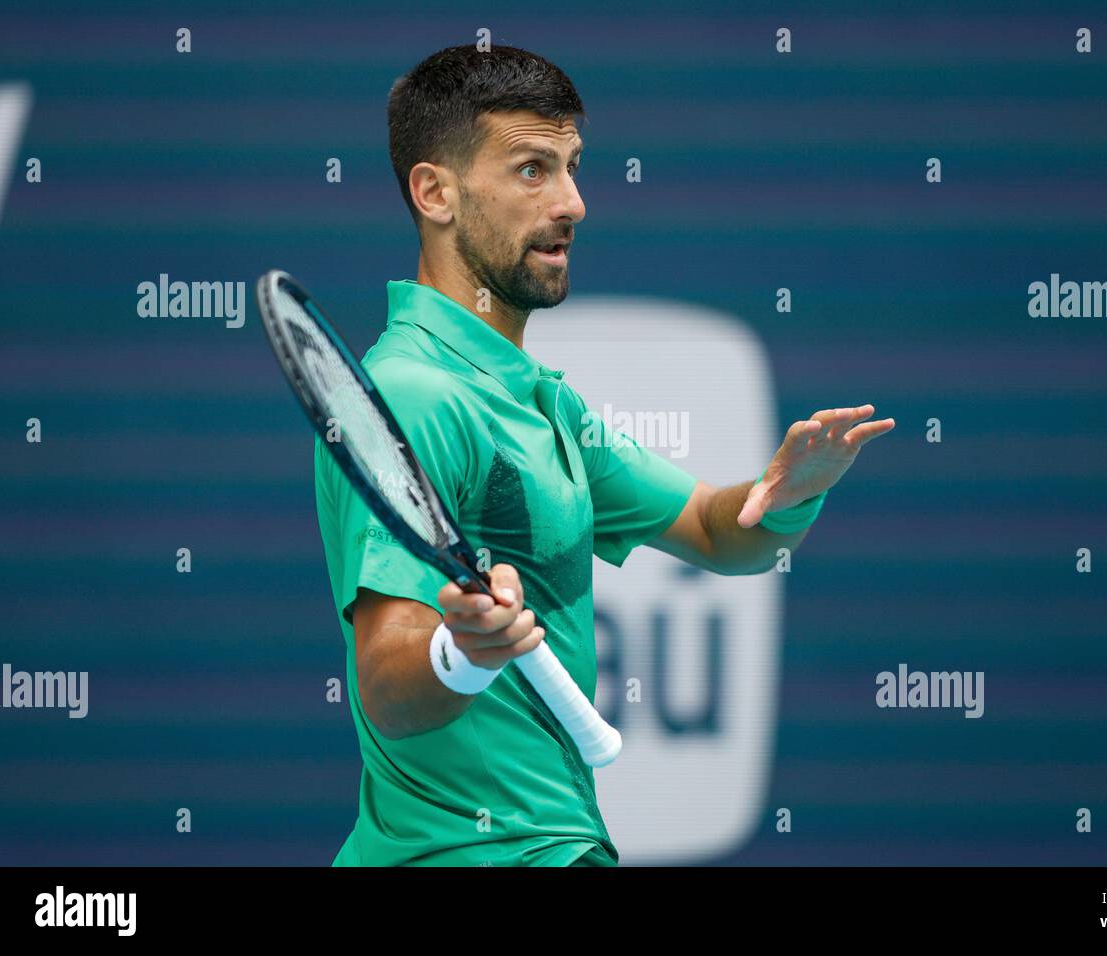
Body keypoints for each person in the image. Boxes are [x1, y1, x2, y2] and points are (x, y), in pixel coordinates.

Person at [314, 43, 894, 867]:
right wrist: (460, 651)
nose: (574, 203)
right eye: (531, 170)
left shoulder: (541, 400)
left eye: (573, 167)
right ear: (434, 192)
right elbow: (386, 687)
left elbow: (715, 530)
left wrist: (786, 491)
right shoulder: (414, 393)